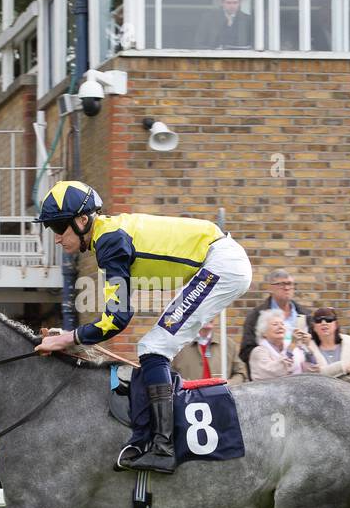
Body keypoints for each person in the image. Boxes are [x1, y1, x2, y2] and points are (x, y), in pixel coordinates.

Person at [35, 181, 253, 474]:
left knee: (154, 347)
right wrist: (69, 336)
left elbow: (117, 318)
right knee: (152, 347)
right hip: (220, 261)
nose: (57, 239)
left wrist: (68, 339)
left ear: (82, 220)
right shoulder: (107, 238)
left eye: (58, 229)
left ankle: (163, 448)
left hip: (222, 264)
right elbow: (119, 313)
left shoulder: (110, 240)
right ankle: (157, 442)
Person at [239, 268, 315, 374]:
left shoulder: (304, 315)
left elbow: (313, 351)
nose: (287, 288)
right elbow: (246, 351)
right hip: (270, 377)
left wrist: (308, 346)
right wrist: (271, 359)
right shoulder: (257, 315)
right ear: (271, 288)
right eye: (281, 284)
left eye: (290, 284)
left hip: (300, 376)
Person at [304, 308, 350, 388]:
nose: (323, 323)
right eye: (318, 320)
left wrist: (327, 377)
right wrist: (342, 367)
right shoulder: (308, 348)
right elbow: (313, 378)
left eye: (329, 319)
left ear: (336, 324)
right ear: (314, 327)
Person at [249, 311, 313, 380]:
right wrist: (291, 346)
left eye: (282, 324)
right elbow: (273, 372)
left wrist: (307, 346)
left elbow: (311, 370)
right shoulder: (259, 352)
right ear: (264, 332)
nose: (280, 327)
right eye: (275, 324)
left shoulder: (295, 348)